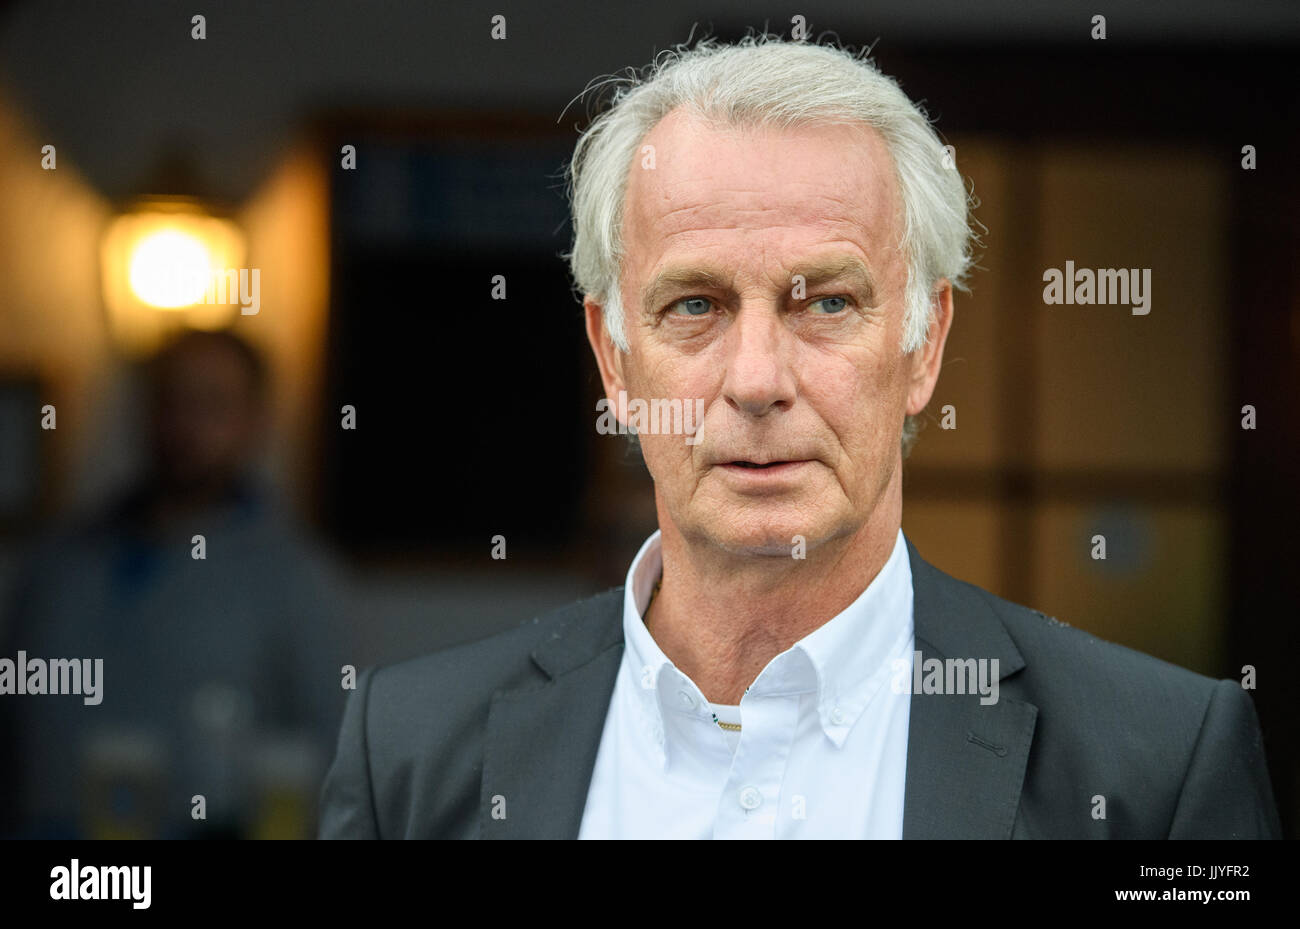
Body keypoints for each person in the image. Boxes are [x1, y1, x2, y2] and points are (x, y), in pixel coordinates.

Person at [319, 35, 1281, 839]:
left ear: (924, 346)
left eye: (826, 301)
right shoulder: (408, 751)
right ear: (613, 358)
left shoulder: (1157, 768)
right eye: (694, 304)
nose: (757, 381)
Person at [1, 329, 350, 838]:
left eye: (212, 403)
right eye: (170, 398)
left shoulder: (298, 578)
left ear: (255, 422)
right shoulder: (56, 563)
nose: (185, 423)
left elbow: (334, 758)